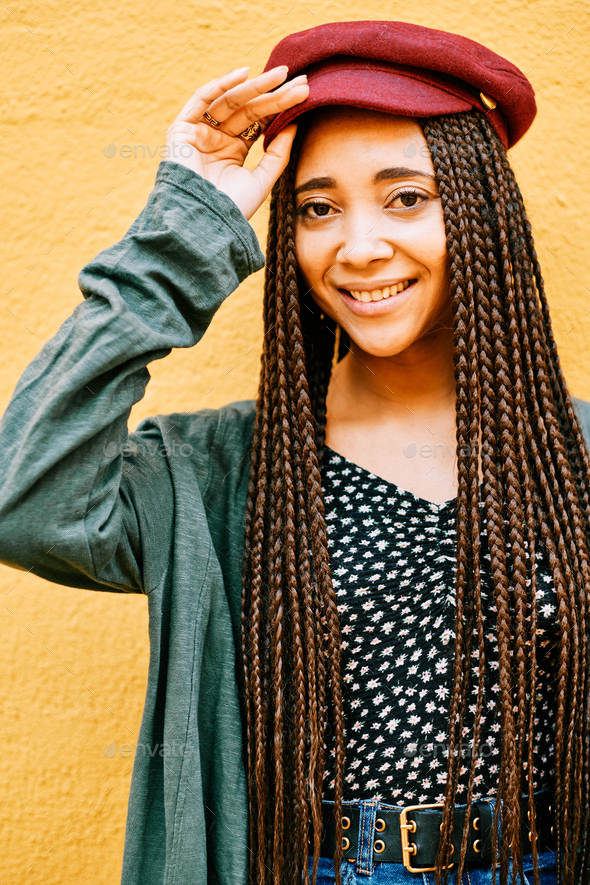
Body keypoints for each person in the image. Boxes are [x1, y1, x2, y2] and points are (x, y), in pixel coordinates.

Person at [0, 17, 589, 885]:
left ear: (480, 212)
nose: (359, 247)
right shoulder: (217, 472)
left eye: (406, 198)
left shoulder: (575, 456)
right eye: (318, 208)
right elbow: (25, 499)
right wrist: (185, 230)